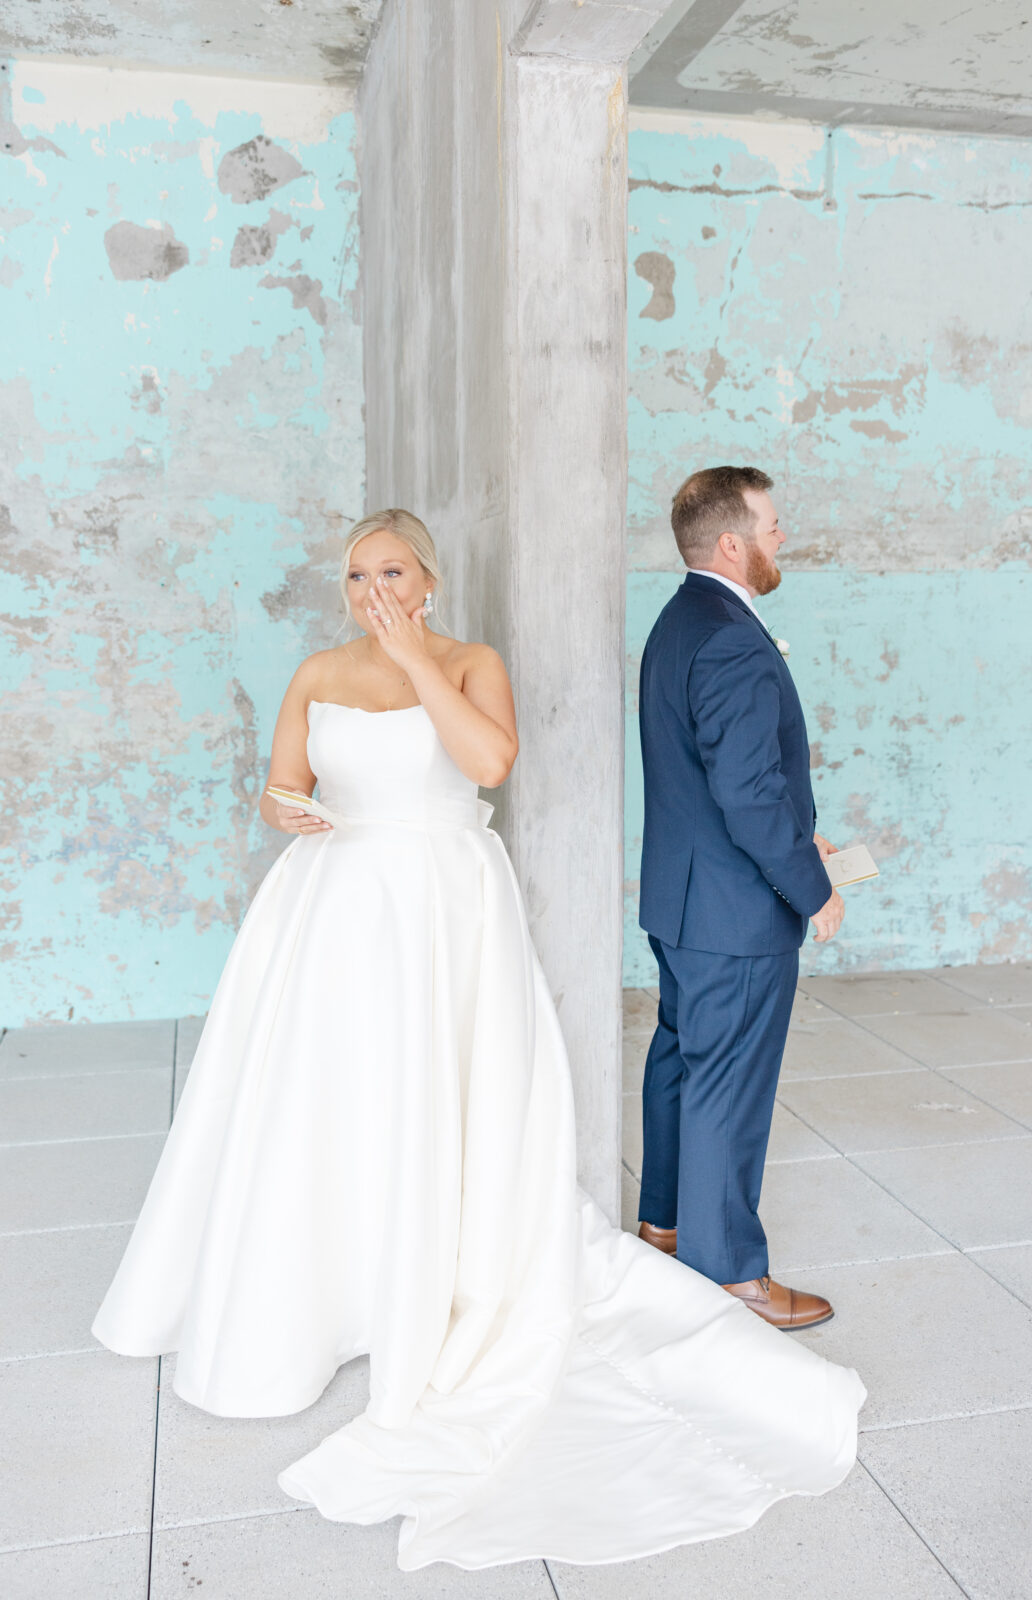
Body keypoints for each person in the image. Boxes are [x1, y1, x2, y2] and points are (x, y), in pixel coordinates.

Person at [93, 508, 864, 1570]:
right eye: (357, 571)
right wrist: (286, 809)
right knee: (325, 1101)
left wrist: (413, 659)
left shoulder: (466, 660)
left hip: (443, 906)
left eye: (392, 568)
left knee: (436, 1095)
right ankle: (322, 1282)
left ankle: (439, 1267)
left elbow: (490, 760)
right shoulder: (316, 671)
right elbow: (283, 788)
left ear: (428, 579)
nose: (372, 585)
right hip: (333, 908)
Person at [637, 466, 844, 1328]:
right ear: (733, 543)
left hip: (684, 901)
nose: (780, 537)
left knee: (681, 1064)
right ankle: (730, 1276)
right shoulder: (728, 637)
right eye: (770, 524)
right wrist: (811, 884)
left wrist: (801, 836)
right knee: (728, 1084)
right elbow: (748, 793)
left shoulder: (682, 620)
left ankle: (663, 1225)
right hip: (734, 914)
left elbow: (713, 777)